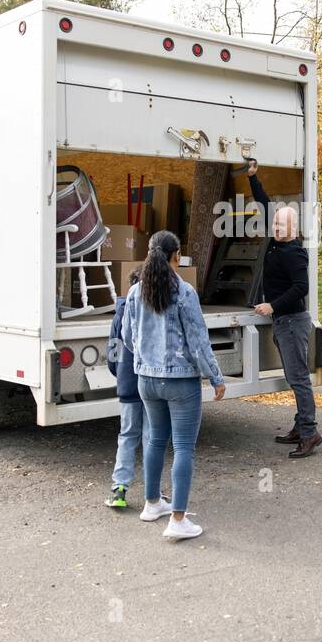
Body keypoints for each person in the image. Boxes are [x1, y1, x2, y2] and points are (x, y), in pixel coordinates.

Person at [123, 230, 226, 541]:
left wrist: (146, 360)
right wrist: (216, 377)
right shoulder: (184, 292)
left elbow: (129, 339)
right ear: (176, 256)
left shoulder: (135, 292)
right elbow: (197, 341)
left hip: (146, 380)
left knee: (154, 441)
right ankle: (178, 520)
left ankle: (152, 503)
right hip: (181, 382)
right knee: (183, 448)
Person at [246, 161, 321, 458]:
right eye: (275, 224)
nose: (276, 228)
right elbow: (265, 205)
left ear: (293, 228)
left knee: (299, 378)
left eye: (281, 225)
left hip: (292, 322)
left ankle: (310, 433)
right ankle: (299, 427)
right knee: (295, 377)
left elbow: (301, 288)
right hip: (283, 322)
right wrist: (253, 178)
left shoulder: (294, 252)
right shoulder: (277, 241)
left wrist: (271, 305)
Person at [105, 269, 147, 509]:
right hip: (152, 382)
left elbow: (113, 348)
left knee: (128, 435)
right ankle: (153, 494)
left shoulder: (120, 311)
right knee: (153, 437)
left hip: (128, 383)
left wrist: (118, 371)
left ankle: (119, 489)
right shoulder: (154, 307)